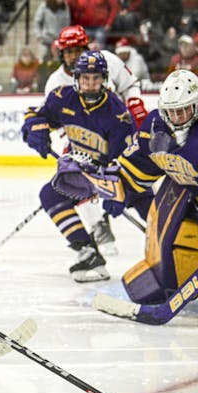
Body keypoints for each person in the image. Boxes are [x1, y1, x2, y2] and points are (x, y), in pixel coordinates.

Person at [83, 69, 198, 314]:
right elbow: (135, 166)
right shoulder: (156, 125)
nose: (177, 118)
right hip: (184, 194)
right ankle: (164, 277)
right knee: (164, 229)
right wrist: (119, 190)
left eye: (183, 111)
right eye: (172, 112)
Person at [20, 51, 136, 282]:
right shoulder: (62, 97)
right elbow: (34, 116)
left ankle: (175, 249)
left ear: (104, 79)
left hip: (113, 175)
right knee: (50, 195)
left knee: (149, 209)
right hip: (84, 175)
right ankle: (88, 251)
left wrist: (117, 191)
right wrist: (36, 131)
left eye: (96, 78)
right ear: (77, 78)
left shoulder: (118, 114)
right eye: (85, 78)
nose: (91, 84)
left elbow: (126, 161)